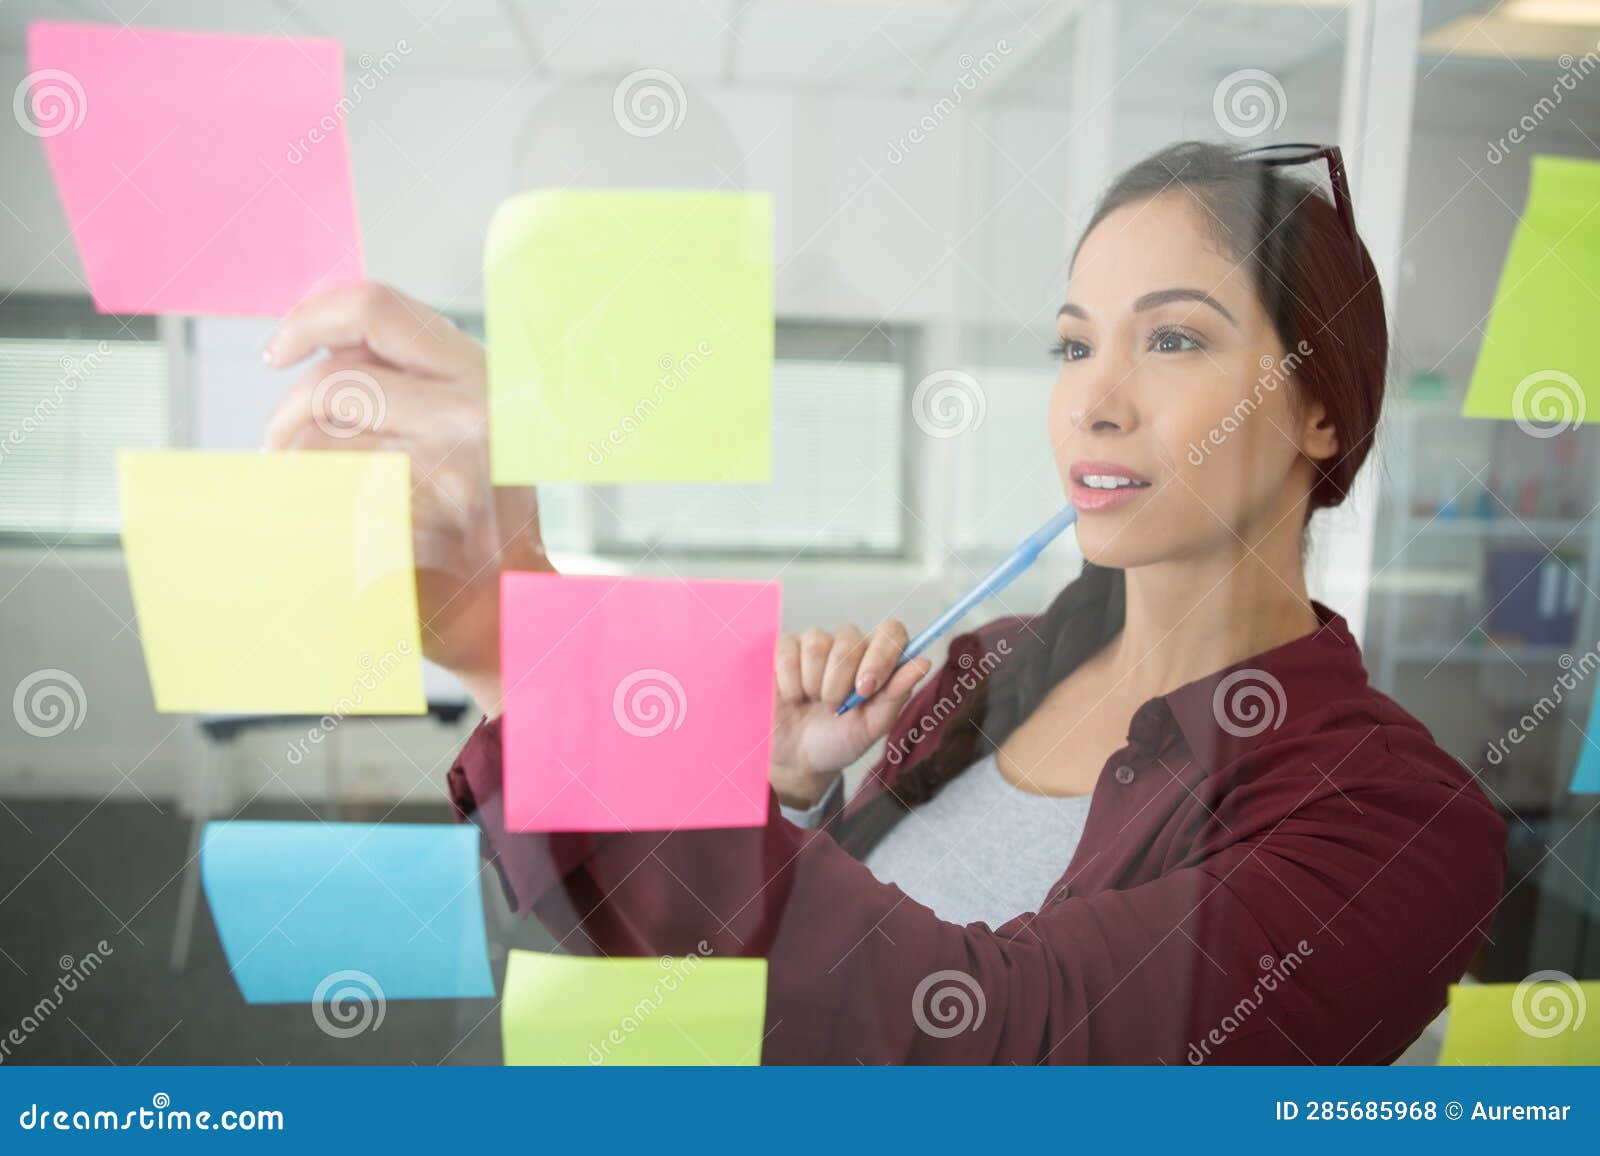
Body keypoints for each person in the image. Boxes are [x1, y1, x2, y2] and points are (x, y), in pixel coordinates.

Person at [261, 140, 1507, 1064]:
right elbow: (761, 984)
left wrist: (518, 636)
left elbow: (988, 1040)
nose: (1092, 402)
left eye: (1172, 340)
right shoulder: (988, 664)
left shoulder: (1399, 828)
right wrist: (774, 790)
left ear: (1320, 406)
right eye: (1072, 345)